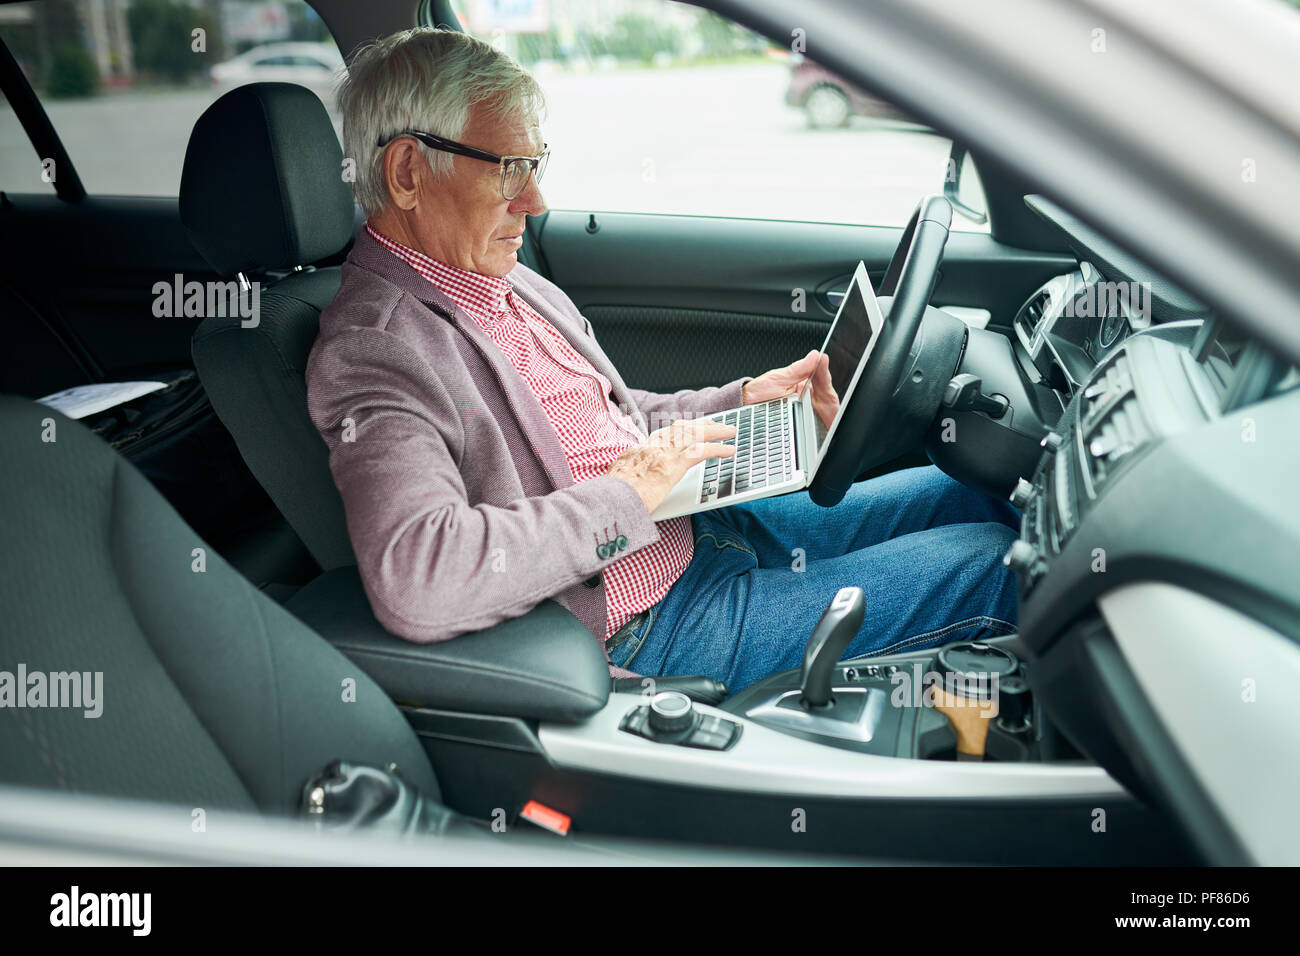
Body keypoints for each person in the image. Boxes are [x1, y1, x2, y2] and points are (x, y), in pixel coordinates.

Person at [306, 27, 1020, 694]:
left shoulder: (502, 277)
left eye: (537, 165)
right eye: (510, 170)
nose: (537, 198)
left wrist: (741, 402)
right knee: (992, 563)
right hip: (652, 623)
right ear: (406, 172)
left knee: (978, 490)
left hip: (702, 528)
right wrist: (630, 495)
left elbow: (618, 419)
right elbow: (420, 575)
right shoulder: (376, 349)